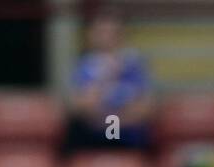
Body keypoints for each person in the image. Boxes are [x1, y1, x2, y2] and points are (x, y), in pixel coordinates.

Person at [64, 11, 153, 152]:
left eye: (113, 32)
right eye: (101, 32)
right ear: (91, 35)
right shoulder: (84, 66)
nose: (107, 37)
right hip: (92, 132)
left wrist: (115, 123)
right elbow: (81, 106)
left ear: (122, 35)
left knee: (129, 136)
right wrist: (106, 75)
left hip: (127, 132)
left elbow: (145, 108)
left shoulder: (135, 65)